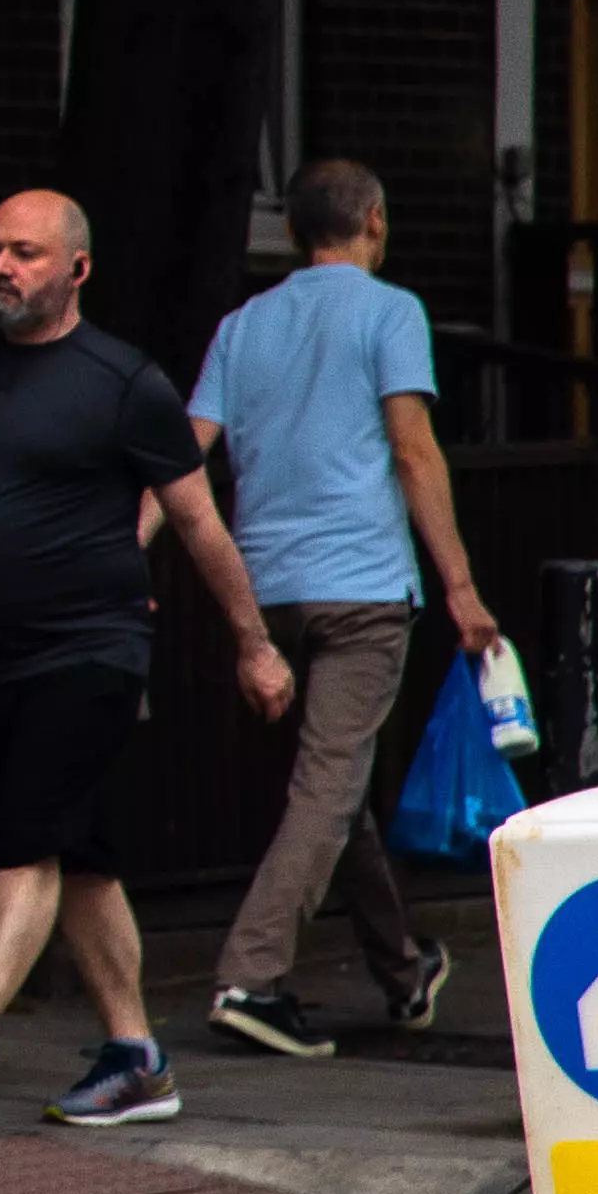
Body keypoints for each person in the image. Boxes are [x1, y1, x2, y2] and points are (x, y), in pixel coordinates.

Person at [0, 188, 289, 1127]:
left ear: (77, 269)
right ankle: (136, 1058)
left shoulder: (123, 382)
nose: (0, 269)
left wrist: (254, 644)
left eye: (22, 253)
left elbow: (197, 523)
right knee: (82, 855)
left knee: (29, 837)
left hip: (91, 646)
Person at [185, 160, 482, 1057]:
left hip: (268, 593)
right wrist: (461, 585)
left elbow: (180, 455)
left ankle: (404, 968)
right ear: (376, 223)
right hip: (360, 590)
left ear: (292, 232)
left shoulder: (243, 326)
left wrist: (133, 556)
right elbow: (413, 448)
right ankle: (250, 974)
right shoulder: (391, 312)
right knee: (327, 787)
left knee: (335, 790)